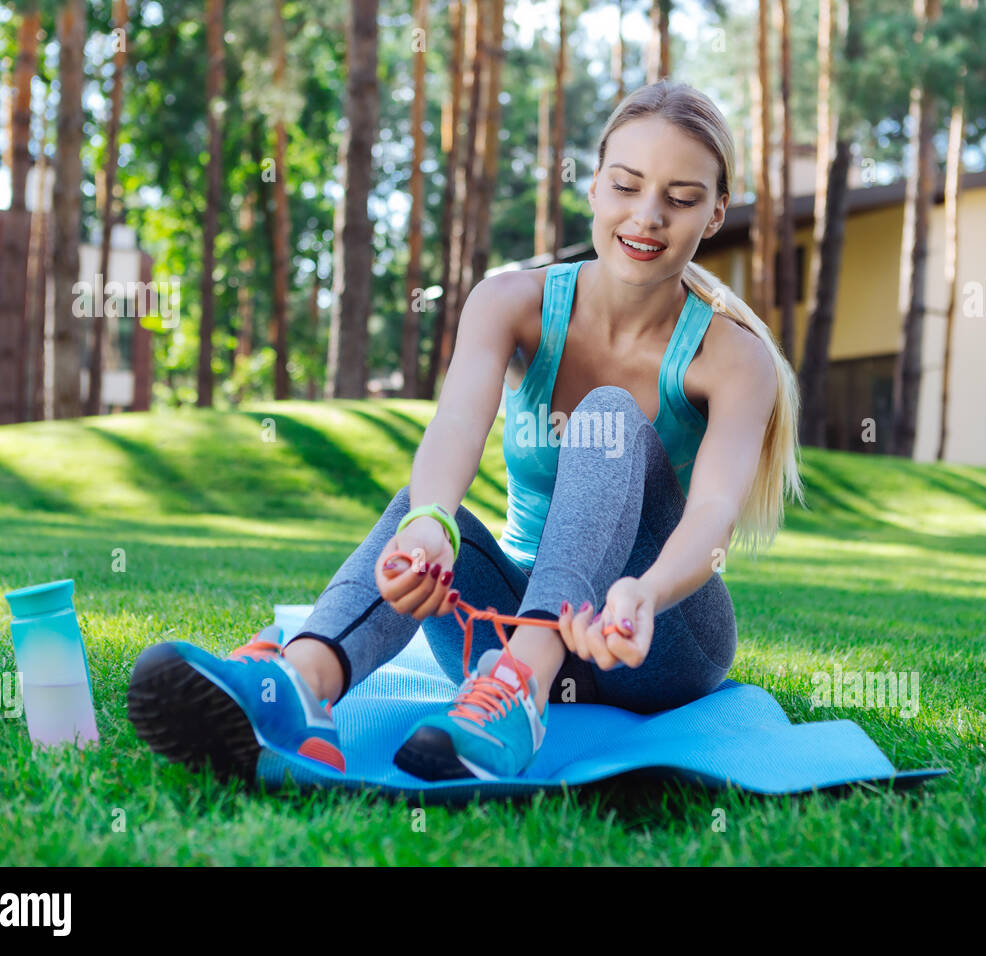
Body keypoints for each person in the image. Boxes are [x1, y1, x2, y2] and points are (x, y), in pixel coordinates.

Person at [127, 78, 805, 784]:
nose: (647, 217)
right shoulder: (511, 301)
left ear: (716, 212)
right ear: (595, 186)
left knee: (607, 416)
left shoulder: (734, 356)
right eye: (626, 186)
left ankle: (521, 693)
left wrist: (648, 591)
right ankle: (303, 683)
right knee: (417, 514)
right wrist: (429, 524)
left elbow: (715, 515)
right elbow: (454, 429)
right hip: (500, 619)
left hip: (656, 637)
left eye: (681, 198)